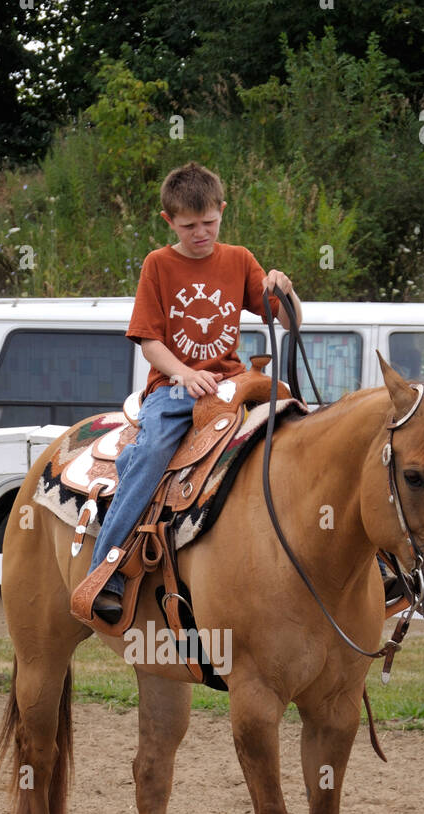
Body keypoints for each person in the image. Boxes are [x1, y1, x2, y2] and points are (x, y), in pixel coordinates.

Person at [81, 161, 302, 622]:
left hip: (233, 382)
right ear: (169, 221)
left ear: (222, 211)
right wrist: (182, 373)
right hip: (176, 389)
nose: (200, 233)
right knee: (152, 451)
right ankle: (107, 570)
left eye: (209, 223)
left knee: (300, 427)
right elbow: (148, 340)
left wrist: (286, 290)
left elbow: (288, 321)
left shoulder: (239, 259)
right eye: (189, 226)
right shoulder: (158, 265)